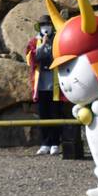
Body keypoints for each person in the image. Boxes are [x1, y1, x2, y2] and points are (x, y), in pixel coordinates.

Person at [26, 14, 68, 155]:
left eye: (48, 25)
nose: (46, 28)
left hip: (55, 83)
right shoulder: (34, 42)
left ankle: (55, 143)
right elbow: (30, 59)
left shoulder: (58, 40)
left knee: (56, 113)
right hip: (41, 84)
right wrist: (42, 45)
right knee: (43, 114)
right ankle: (45, 143)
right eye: (43, 25)